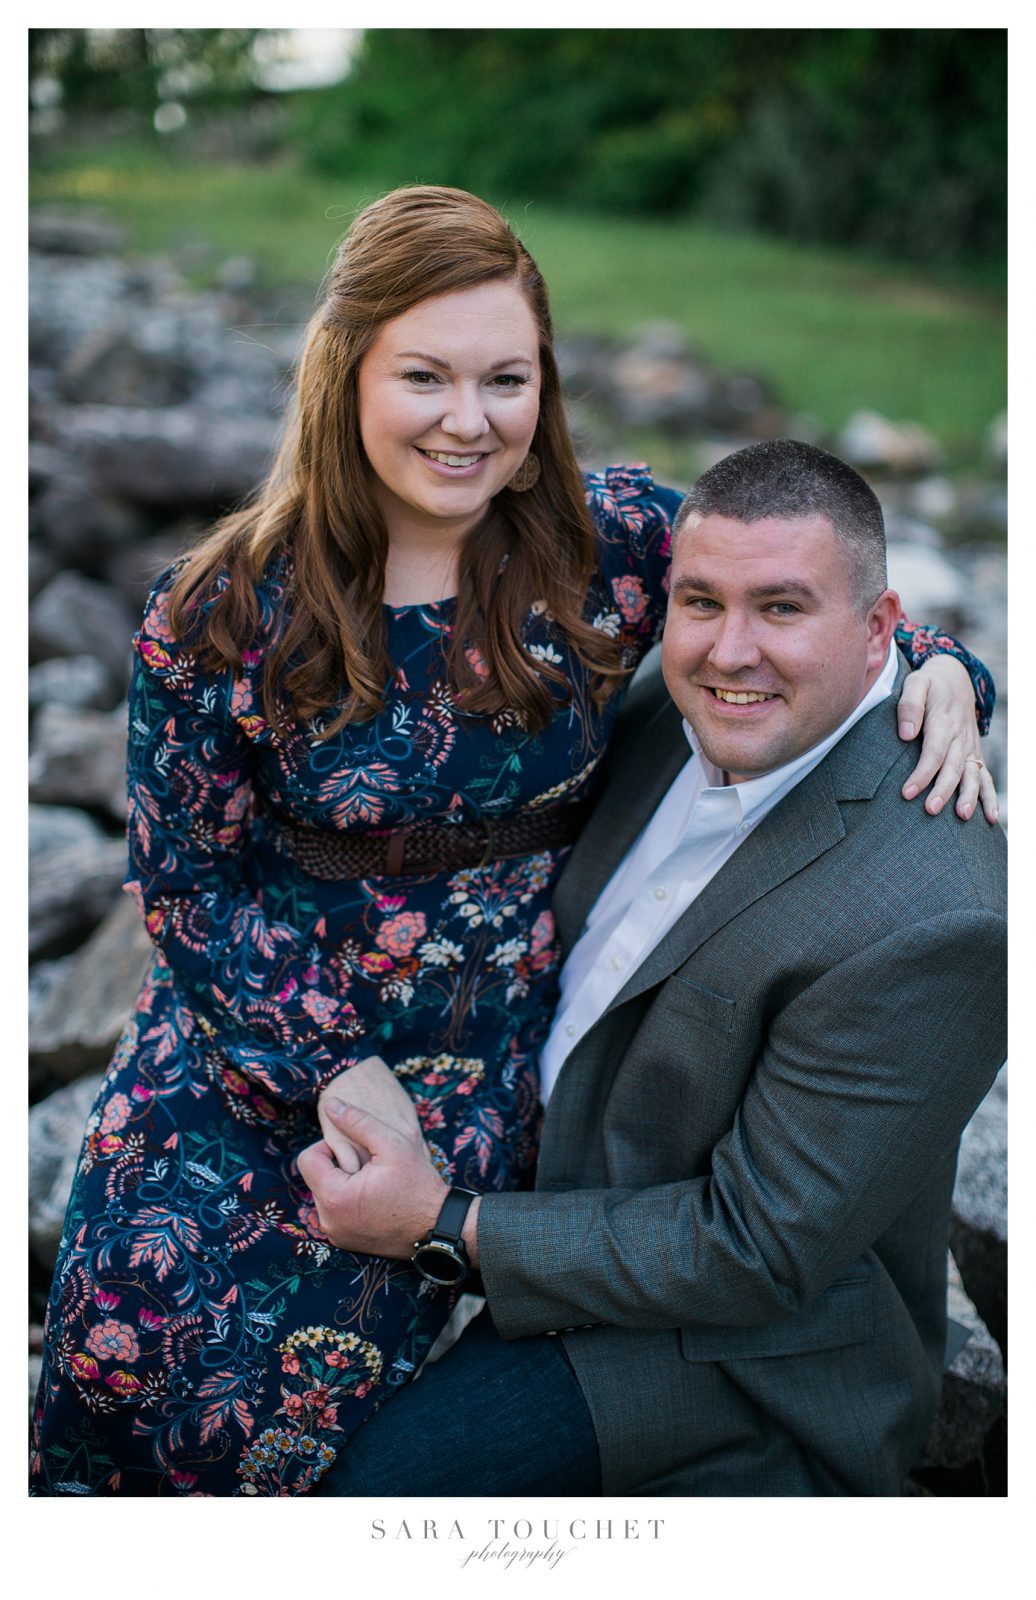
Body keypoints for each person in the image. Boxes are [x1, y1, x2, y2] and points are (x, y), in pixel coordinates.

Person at [30, 188, 995, 1497]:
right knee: (130, 1384)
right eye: (424, 375)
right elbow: (186, 883)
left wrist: (946, 668)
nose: (469, 419)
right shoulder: (219, 607)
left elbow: (800, 590)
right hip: (252, 1053)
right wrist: (326, 1069)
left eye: (507, 378)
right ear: (345, 371)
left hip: (481, 1080)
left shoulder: (607, 548)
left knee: (315, 1448)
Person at [303, 439, 1007, 1499]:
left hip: (724, 1357)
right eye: (701, 601)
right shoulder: (657, 705)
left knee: (378, 1497)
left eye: (781, 609)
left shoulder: (937, 913)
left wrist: (446, 1226)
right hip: (524, 1174)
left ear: (877, 632)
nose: (729, 651)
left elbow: (755, 1249)